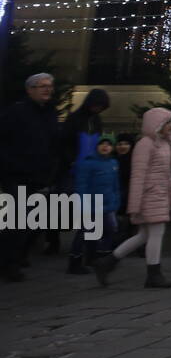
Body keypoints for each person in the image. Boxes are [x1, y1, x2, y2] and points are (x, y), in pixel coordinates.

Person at [94, 108, 171, 289]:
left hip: (159, 194)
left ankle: (107, 263)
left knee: (144, 235)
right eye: (167, 122)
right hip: (149, 195)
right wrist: (134, 204)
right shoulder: (145, 144)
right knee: (156, 233)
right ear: (157, 124)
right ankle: (153, 274)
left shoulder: (164, 143)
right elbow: (138, 176)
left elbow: (167, 175)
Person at [0, 74, 61, 282]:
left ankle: (16, 259)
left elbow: (53, 144)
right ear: (30, 90)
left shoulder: (50, 113)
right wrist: (10, 166)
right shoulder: (17, 112)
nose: (47, 90)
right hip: (16, 175)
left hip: (40, 176)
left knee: (30, 223)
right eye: (42, 86)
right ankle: (9, 264)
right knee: (16, 222)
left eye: (50, 86)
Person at [50, 88, 110, 255]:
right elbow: (64, 143)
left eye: (101, 107)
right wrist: (71, 160)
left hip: (88, 168)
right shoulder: (75, 119)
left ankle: (83, 245)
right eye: (97, 106)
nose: (98, 109)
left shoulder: (96, 121)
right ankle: (53, 238)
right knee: (62, 202)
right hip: (71, 167)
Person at [68, 136, 120, 275]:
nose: (105, 146)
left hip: (106, 204)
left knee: (107, 231)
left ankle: (95, 259)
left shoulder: (113, 163)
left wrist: (115, 201)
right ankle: (75, 262)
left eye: (109, 144)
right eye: (102, 144)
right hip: (90, 203)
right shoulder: (88, 163)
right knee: (84, 233)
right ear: (96, 146)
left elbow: (115, 185)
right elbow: (81, 185)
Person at [112, 134, 134, 245]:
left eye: (126, 144)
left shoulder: (134, 161)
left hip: (128, 196)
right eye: (120, 144)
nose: (122, 146)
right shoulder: (112, 160)